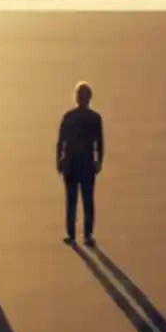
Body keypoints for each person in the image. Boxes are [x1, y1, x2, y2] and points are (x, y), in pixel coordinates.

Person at [57, 81, 104, 245]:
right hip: (86, 163)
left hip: (71, 162)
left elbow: (60, 142)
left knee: (71, 200)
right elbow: (99, 143)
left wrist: (59, 161)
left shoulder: (68, 117)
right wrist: (99, 161)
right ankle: (87, 234)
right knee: (87, 199)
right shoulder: (95, 118)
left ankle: (71, 234)